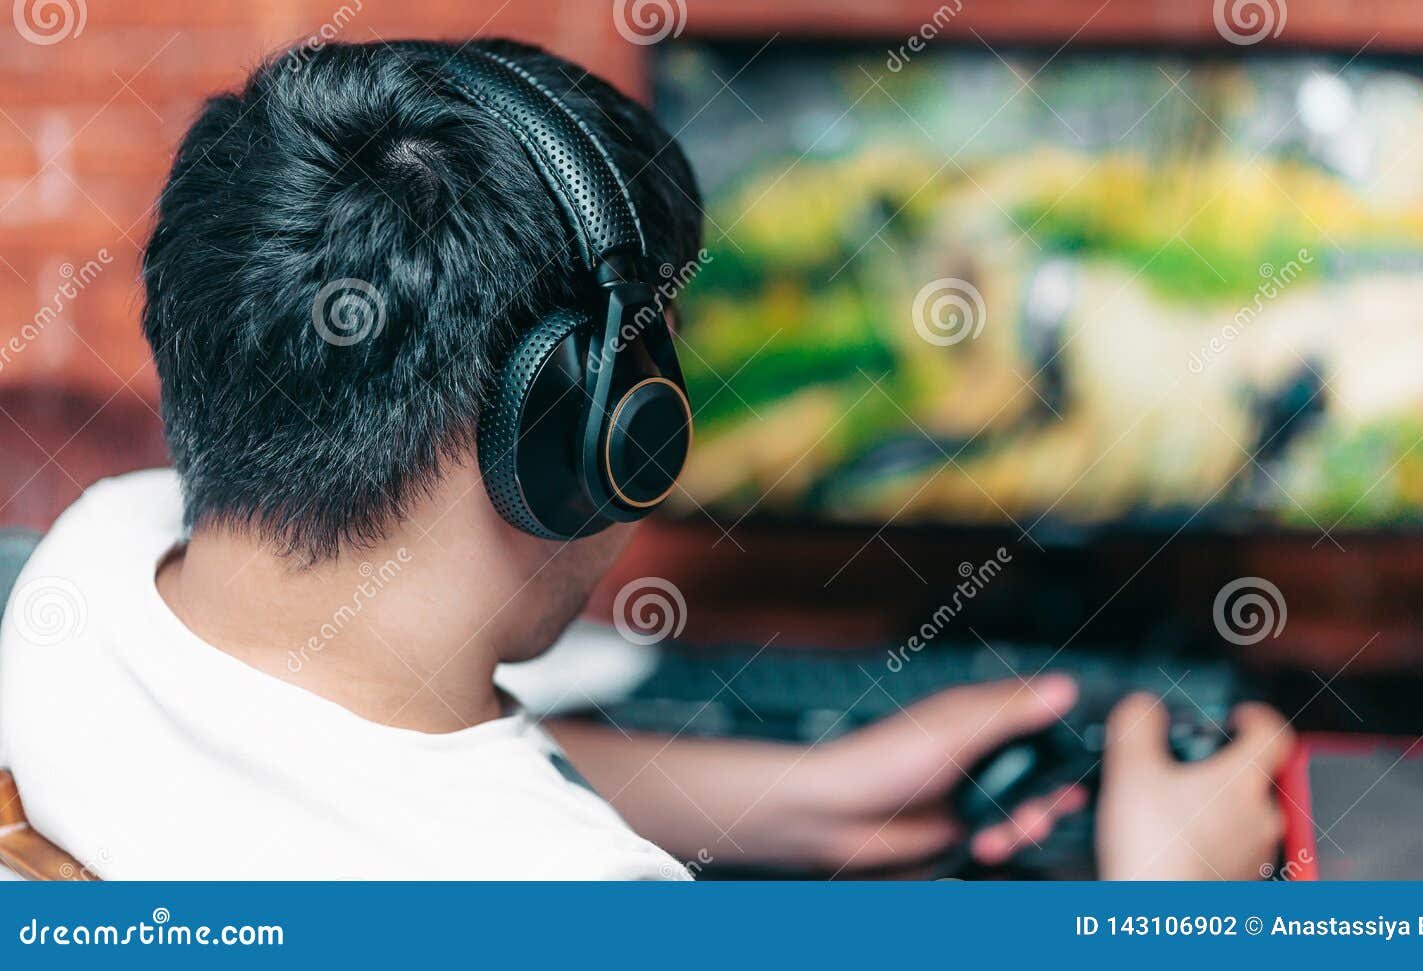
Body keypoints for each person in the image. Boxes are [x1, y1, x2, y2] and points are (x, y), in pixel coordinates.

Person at [0, 38, 1293, 880]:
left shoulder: (83, 571)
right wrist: (1166, 914)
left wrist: (799, 795)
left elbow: (333, 766)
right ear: (587, 432)